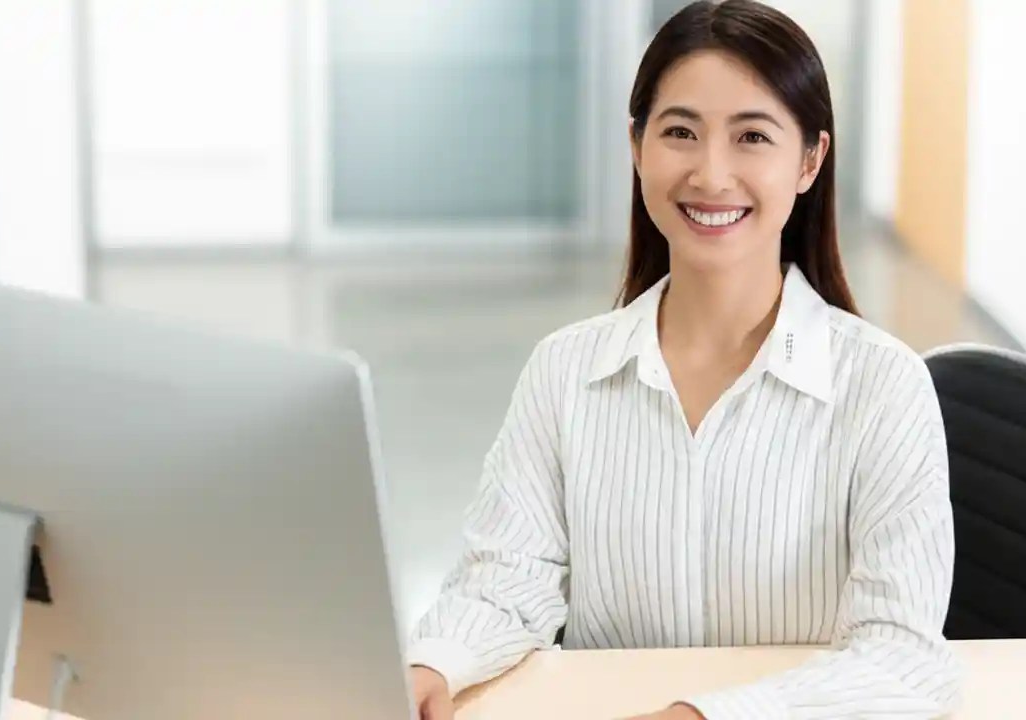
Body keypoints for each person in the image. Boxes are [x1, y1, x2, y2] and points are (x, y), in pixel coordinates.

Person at [405, 1, 962, 717]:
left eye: (752, 136)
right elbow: (507, 579)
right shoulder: (565, 372)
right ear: (637, 147)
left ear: (810, 160)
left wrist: (705, 716)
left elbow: (905, 656)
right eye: (679, 132)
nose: (711, 173)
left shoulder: (885, 388)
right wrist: (436, 664)